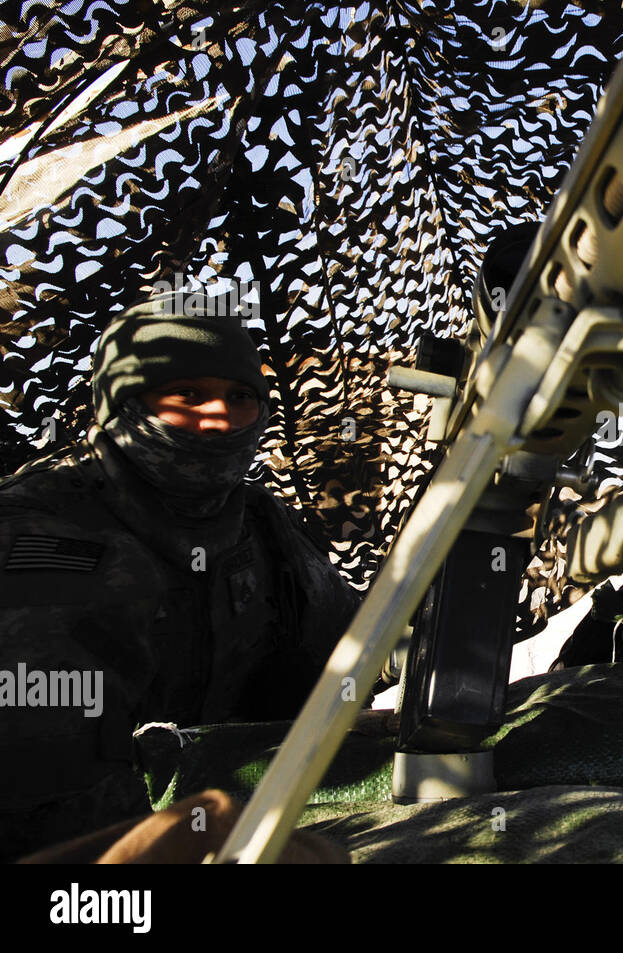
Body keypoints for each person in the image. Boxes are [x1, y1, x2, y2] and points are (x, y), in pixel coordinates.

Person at [0, 292, 360, 860]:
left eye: (240, 397)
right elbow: (43, 786)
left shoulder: (258, 521)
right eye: (187, 395)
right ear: (123, 404)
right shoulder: (44, 536)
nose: (218, 419)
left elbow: (352, 638)